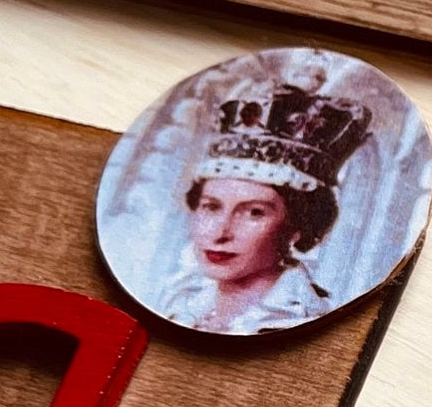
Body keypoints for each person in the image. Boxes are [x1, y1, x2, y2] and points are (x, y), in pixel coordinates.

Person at [155, 80, 371, 337]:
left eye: (254, 212)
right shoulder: (178, 300)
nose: (221, 232)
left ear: (297, 228)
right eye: (211, 207)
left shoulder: (303, 322)